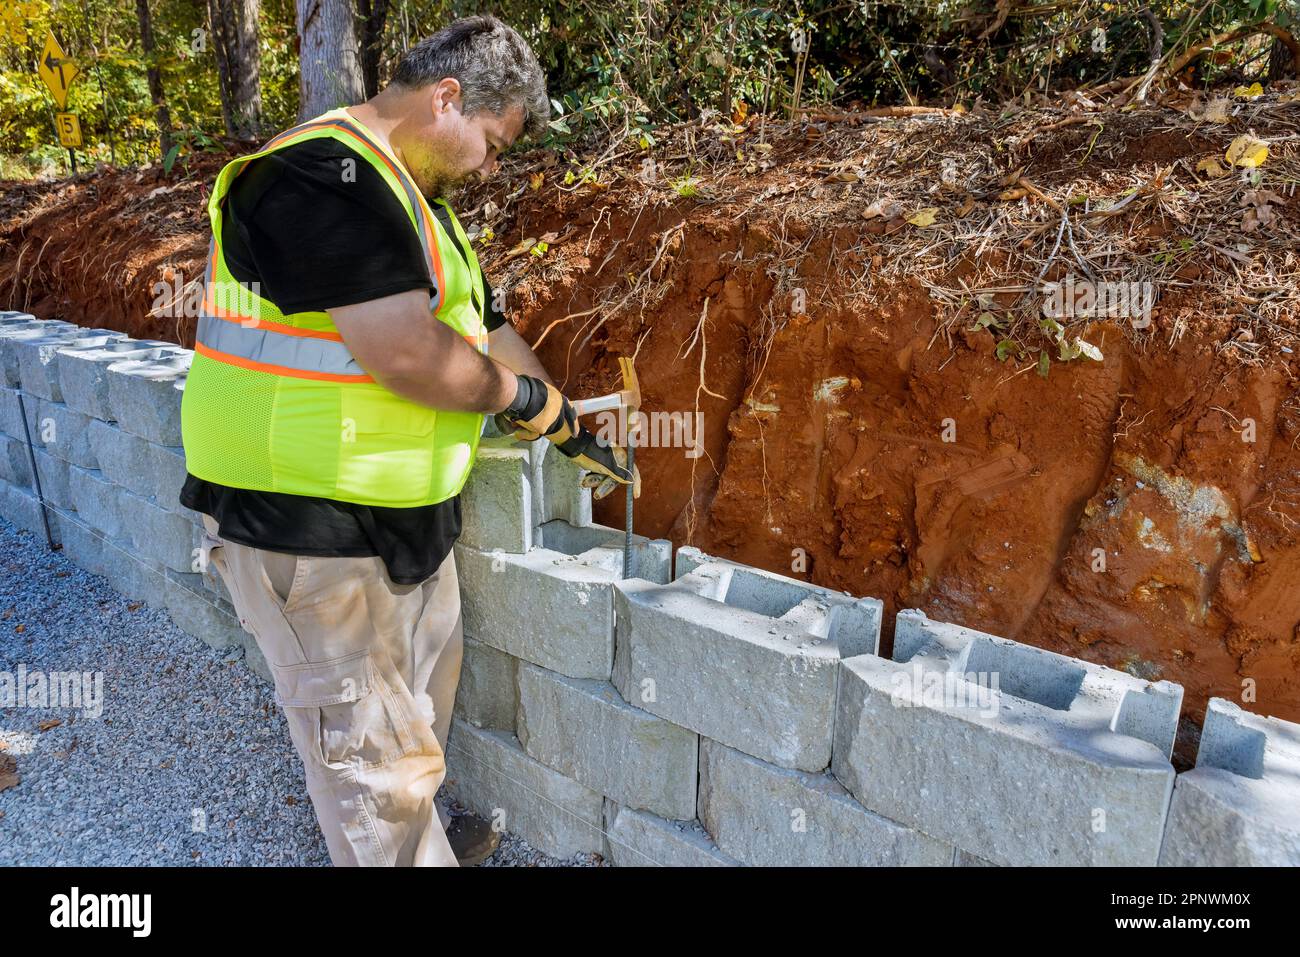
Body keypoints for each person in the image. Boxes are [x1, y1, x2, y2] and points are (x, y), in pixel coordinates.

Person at [179, 14, 637, 867]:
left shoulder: (412, 199)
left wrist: (564, 421)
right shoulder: (316, 177)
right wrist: (519, 396)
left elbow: (480, 328)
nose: (493, 167)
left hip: (402, 520)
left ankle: (414, 838)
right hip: (308, 528)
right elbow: (406, 354)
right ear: (448, 98)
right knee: (368, 764)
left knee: (415, 718)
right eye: (494, 144)